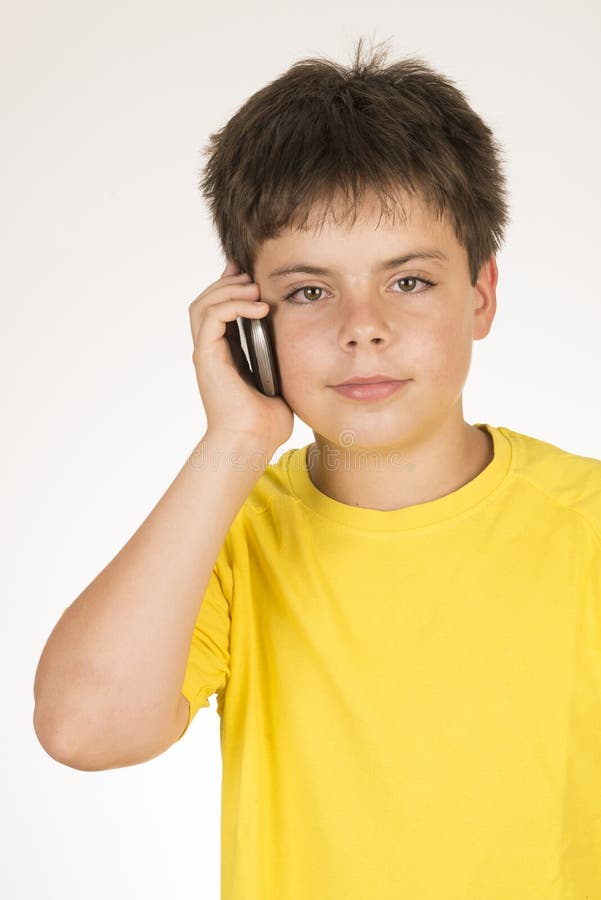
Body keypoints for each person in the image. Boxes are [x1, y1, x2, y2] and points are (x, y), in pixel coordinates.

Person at [33, 35, 601, 900]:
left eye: (408, 282)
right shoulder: (229, 536)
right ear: (247, 323)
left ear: (481, 295)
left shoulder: (585, 523)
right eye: (308, 291)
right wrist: (234, 442)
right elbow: (84, 729)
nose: (360, 327)